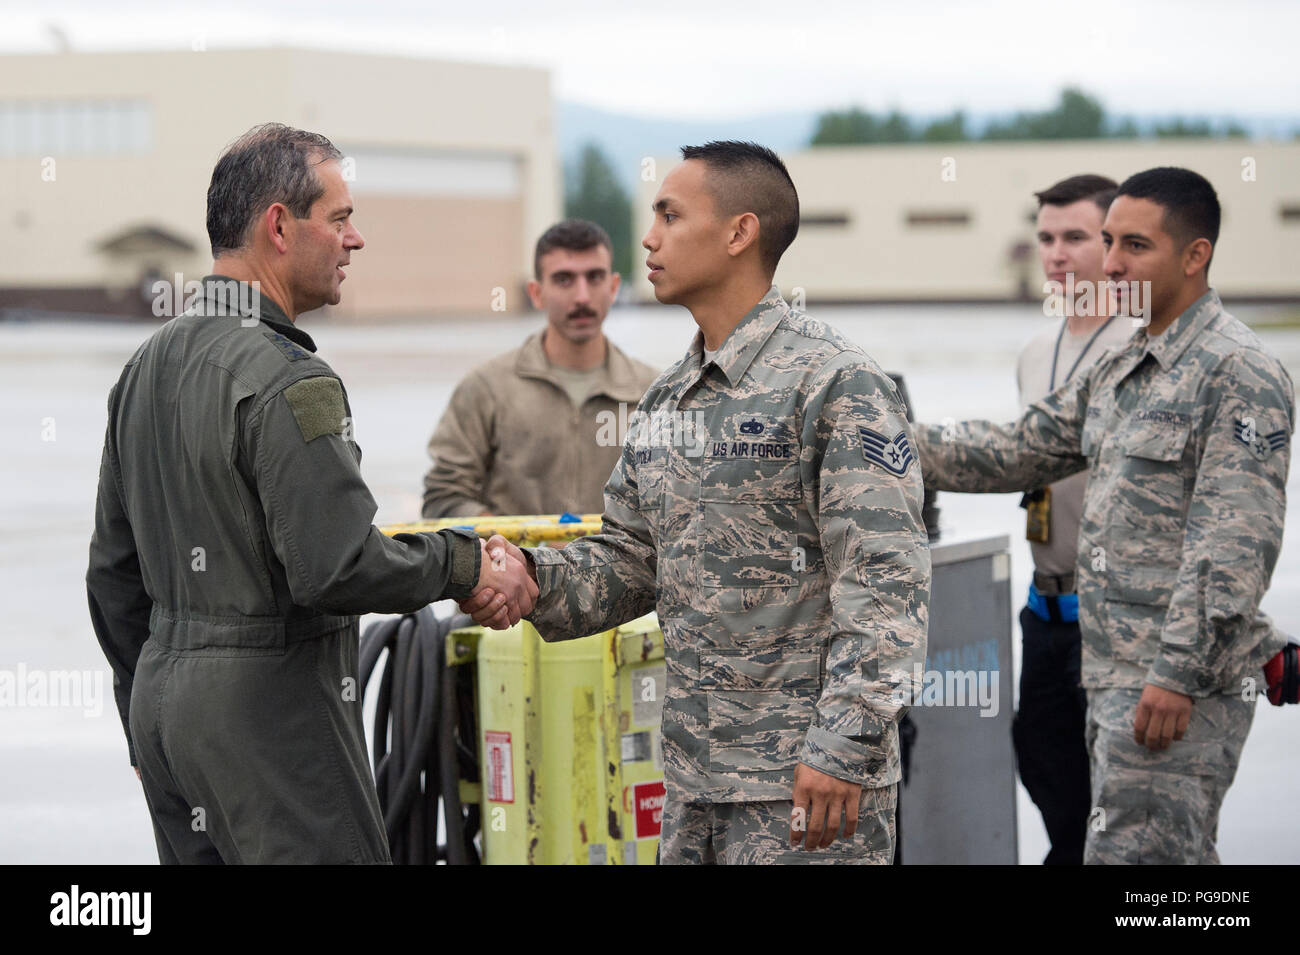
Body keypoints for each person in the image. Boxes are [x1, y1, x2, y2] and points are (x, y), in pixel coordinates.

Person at [464, 141, 930, 864]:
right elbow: (627, 559)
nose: (648, 238)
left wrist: (846, 744)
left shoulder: (835, 383)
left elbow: (887, 587)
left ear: (739, 232)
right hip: (692, 784)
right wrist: (530, 577)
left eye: (669, 215)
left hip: (803, 788)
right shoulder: (668, 398)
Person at [86, 123, 536, 865]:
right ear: (278, 226)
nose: (355, 239)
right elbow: (336, 567)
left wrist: (144, 710)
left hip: (166, 714)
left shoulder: (145, 368)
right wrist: (466, 566)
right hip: (271, 719)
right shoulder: (289, 377)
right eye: (340, 218)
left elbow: (111, 572)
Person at [914, 167, 1292, 864]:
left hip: (1169, 678)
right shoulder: (1122, 362)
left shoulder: (1237, 371)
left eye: (1135, 246)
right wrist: (882, 442)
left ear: (1195, 254)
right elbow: (1019, 449)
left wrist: (1177, 673)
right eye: (1110, 241)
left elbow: (1233, 546)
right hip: (1107, 667)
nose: (1111, 262)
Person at [1013, 174, 1133, 864]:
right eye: (1046, 238)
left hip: (1112, 619)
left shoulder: (1138, 347)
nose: (1057, 254)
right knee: (1049, 781)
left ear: (1112, 243)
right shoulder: (1036, 351)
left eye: (1076, 237)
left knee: (1123, 817)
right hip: (1044, 613)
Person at [421, 219, 658, 519]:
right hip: (516, 565)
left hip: (617, 568)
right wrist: (518, 549)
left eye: (594, 277)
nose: (582, 296)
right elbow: (443, 498)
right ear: (536, 293)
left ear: (613, 288)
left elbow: (676, 504)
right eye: (564, 279)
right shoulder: (487, 389)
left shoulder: (654, 393)